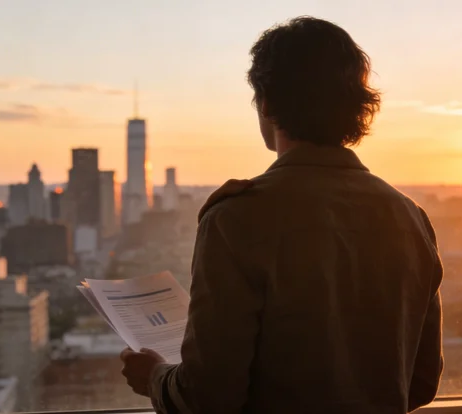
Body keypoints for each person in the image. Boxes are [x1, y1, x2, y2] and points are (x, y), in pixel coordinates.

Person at [121, 16, 443, 414]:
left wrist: (155, 376)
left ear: (267, 102)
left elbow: (207, 397)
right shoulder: (410, 218)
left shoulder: (237, 218)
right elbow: (422, 383)